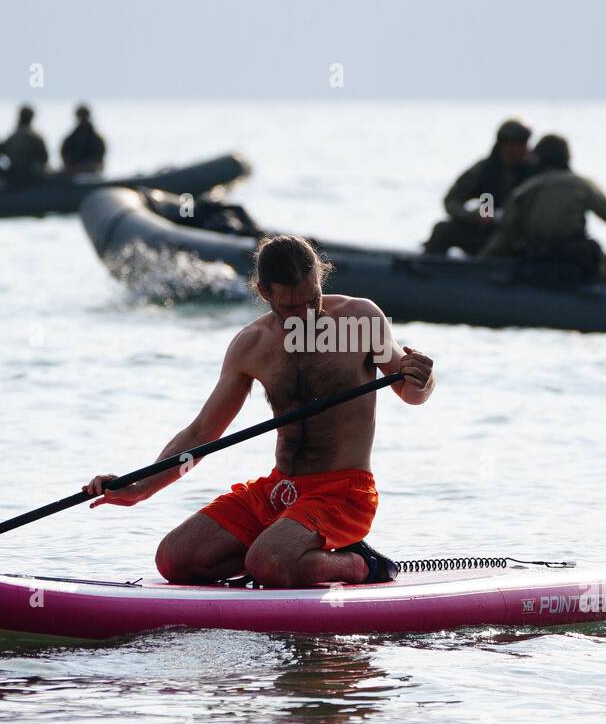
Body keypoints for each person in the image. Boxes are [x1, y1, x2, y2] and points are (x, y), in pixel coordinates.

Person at [83, 235, 436, 587]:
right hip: (278, 489)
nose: (305, 315)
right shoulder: (251, 345)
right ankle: (283, 553)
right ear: (264, 293)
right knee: (174, 559)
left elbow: (411, 391)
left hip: (343, 492)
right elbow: (202, 433)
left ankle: (359, 564)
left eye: (311, 300)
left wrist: (423, 379)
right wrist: (140, 487)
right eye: (290, 307)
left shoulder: (360, 319)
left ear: (319, 279)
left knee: (269, 561)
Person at [479, 134, 606, 283]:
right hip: (575, 258)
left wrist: (481, 262)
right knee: (603, 257)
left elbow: (505, 233)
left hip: (536, 258)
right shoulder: (582, 185)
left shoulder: (525, 190)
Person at [423, 118, 533, 255]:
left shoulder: (537, 171)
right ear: (503, 146)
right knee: (443, 230)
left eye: (523, 145)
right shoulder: (484, 171)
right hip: (487, 233)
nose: (519, 151)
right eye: (515, 145)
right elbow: (452, 201)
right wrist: (474, 217)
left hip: (523, 238)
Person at [1, 105, 50, 187]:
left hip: (17, 177)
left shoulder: (13, 137)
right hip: (31, 177)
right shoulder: (34, 136)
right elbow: (44, 157)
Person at [60, 104, 107, 174]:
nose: (83, 118)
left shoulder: (96, 139)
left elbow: (99, 156)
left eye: (84, 115)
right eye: (81, 116)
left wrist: (87, 166)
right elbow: (65, 154)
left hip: (92, 171)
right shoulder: (71, 139)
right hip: (74, 172)